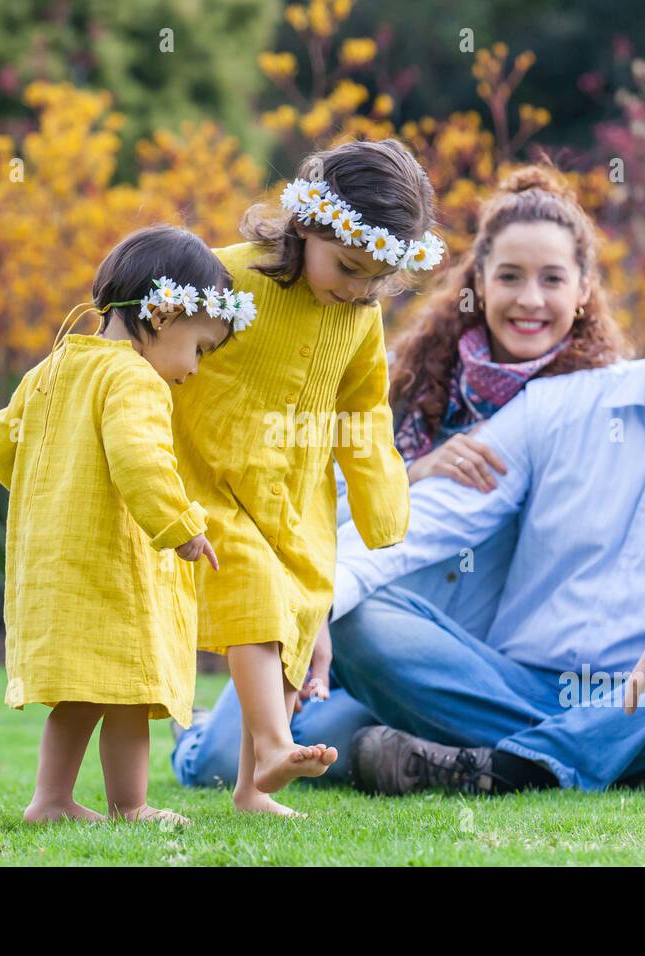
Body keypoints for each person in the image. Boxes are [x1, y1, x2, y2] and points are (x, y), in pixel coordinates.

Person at [172, 168, 645, 792]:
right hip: (497, 681)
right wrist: (322, 604)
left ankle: (513, 767)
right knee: (355, 620)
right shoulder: (557, 406)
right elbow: (426, 521)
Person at [168, 138, 449, 816]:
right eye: (348, 267)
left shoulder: (359, 317)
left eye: (375, 278)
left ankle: (250, 789)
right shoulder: (228, 279)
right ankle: (271, 744)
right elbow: (150, 351)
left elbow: (362, 408)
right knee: (257, 589)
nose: (356, 288)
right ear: (306, 224)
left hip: (297, 494)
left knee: (298, 612)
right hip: (213, 481)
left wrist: (382, 506)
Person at [0, 225, 245, 826]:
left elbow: (3, 439)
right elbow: (140, 460)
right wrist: (181, 525)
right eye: (200, 348)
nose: (196, 369)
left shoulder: (55, 367)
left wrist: (44, 493)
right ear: (164, 314)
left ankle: (55, 801)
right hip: (110, 567)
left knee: (88, 693)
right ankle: (125, 806)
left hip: (58, 561)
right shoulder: (135, 379)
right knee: (128, 688)